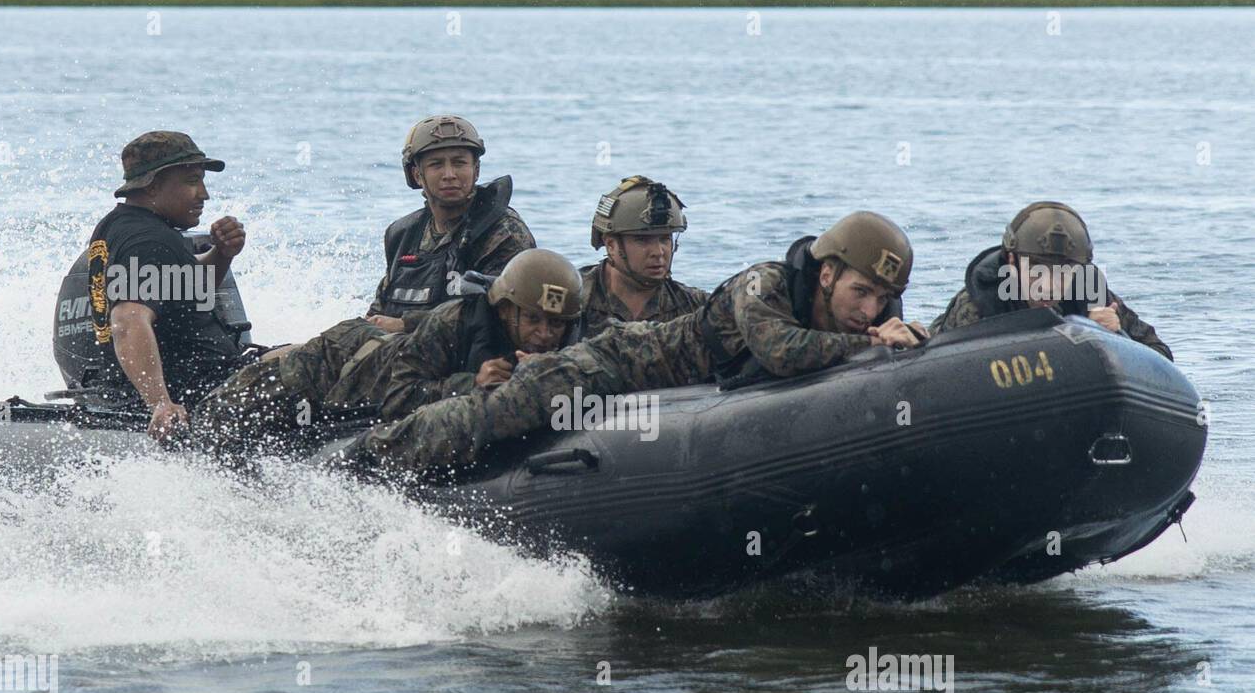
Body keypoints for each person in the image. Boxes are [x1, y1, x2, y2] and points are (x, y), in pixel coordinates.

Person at [330, 211, 925, 475]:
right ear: (826, 274)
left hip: (690, 396)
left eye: (881, 301)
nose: (871, 311)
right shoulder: (763, 284)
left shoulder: (864, 320)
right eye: (862, 293)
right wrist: (868, 346)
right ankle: (375, 455)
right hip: (622, 364)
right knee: (508, 408)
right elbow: (780, 353)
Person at [192, 249, 582, 453]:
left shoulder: (564, 338)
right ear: (506, 309)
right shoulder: (455, 322)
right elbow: (401, 394)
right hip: (348, 359)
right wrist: (470, 383)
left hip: (377, 365)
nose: (545, 334)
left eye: (556, 324)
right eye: (533, 320)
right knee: (235, 406)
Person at [82, 131, 254, 440]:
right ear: (153, 184)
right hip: (209, 389)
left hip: (205, 381)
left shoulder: (122, 225)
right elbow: (127, 321)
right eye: (192, 181)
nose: (204, 194)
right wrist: (160, 403)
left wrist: (222, 254)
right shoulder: (148, 241)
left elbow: (182, 291)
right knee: (348, 347)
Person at [928, 201, 1172, 360]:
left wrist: (1116, 336)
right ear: (1012, 261)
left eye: (1063, 272)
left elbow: (1161, 358)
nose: (1048, 285)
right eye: (1037, 269)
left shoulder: (1091, 295)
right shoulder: (981, 301)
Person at [364, 115, 535, 334]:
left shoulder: (503, 232)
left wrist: (405, 325)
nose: (449, 175)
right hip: (398, 353)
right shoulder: (403, 234)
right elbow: (379, 310)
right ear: (417, 175)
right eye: (436, 165)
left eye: (459, 163)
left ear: (476, 170)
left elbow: (499, 314)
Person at [579, 176, 707, 338]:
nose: (658, 252)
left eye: (665, 239)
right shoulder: (574, 299)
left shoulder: (694, 307)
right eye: (642, 240)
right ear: (611, 245)